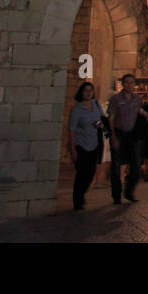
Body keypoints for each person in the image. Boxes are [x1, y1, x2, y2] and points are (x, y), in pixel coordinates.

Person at [107, 74, 148, 204]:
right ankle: (116, 195)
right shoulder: (116, 99)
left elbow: (136, 110)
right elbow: (111, 118)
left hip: (132, 135)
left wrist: (144, 114)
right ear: (123, 84)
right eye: (127, 82)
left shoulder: (137, 98)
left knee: (136, 165)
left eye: (131, 82)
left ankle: (129, 191)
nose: (129, 85)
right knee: (116, 166)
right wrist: (113, 136)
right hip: (119, 134)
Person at [67, 81, 104, 211]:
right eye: (86, 91)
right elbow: (71, 129)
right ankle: (77, 200)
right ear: (81, 93)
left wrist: (99, 124)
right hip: (81, 144)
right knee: (82, 173)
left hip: (94, 144)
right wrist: (72, 149)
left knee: (91, 172)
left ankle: (81, 194)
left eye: (90, 91)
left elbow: (101, 120)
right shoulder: (77, 109)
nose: (88, 93)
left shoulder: (95, 105)